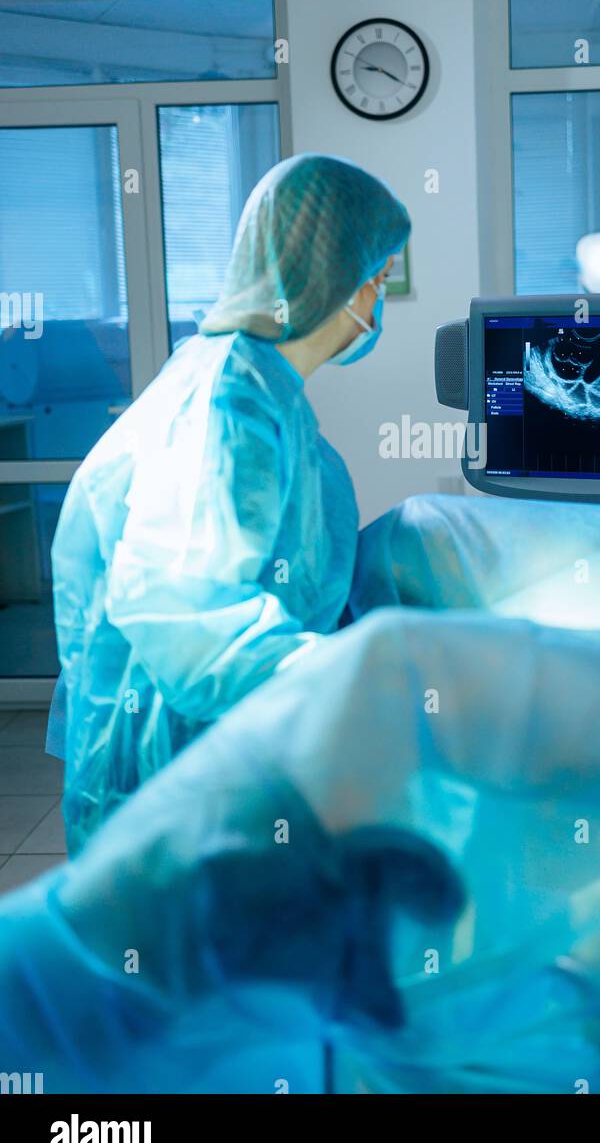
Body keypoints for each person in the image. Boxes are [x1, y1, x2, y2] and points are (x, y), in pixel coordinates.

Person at [49, 153, 410, 856]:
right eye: (379, 277)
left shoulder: (257, 389)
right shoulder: (226, 401)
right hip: (176, 782)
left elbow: (285, 567)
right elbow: (182, 614)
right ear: (335, 277)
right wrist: (358, 686)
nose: (377, 302)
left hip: (222, 760)